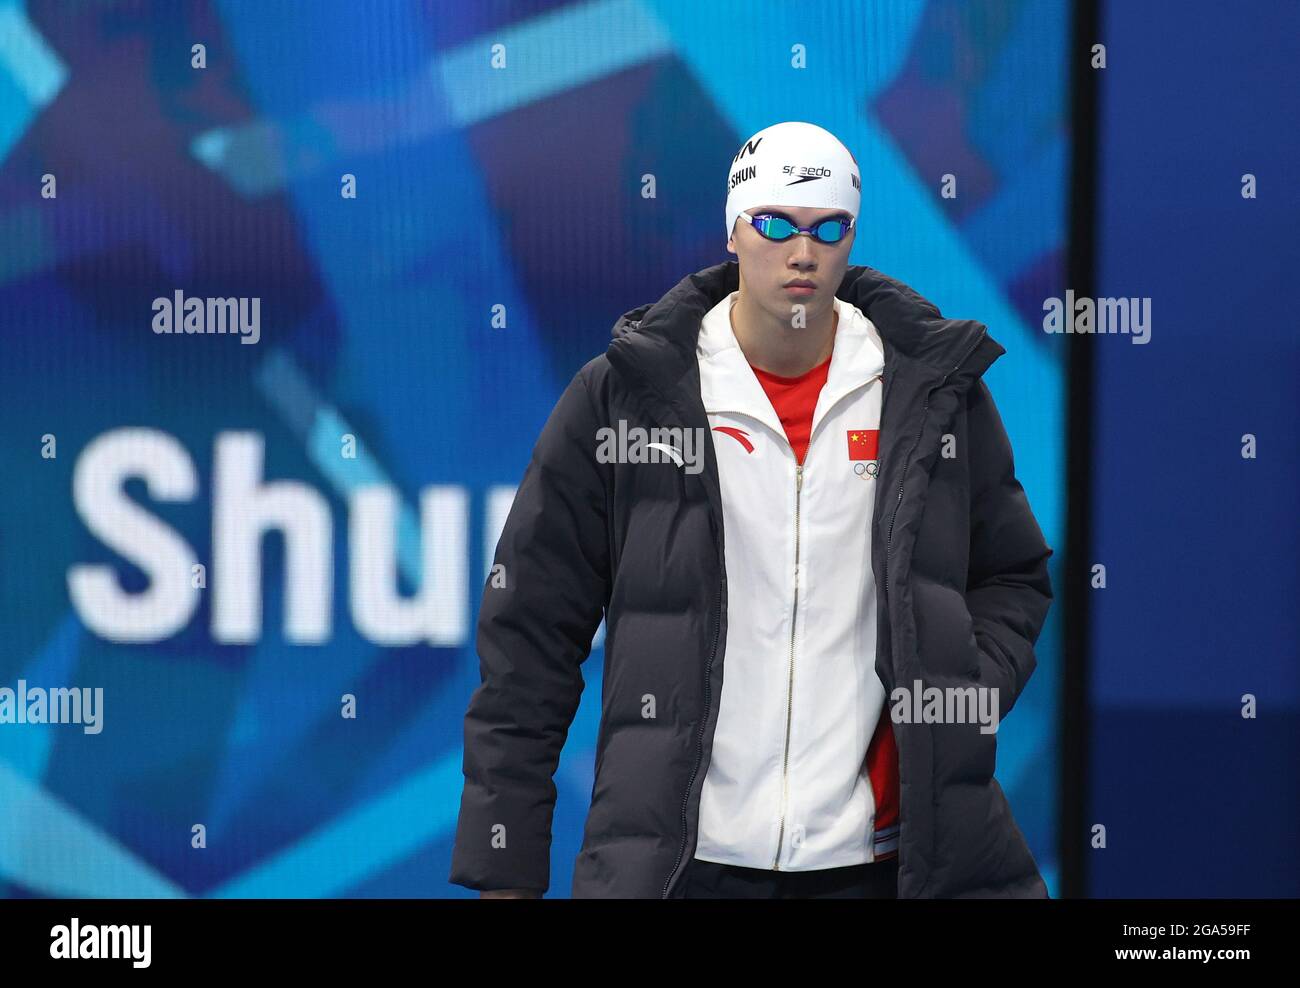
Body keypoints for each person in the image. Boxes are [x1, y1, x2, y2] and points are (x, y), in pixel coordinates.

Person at [450, 121, 1053, 899]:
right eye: (775, 224)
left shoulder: (932, 397)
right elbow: (529, 634)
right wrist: (505, 870)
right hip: (680, 869)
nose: (801, 251)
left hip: (880, 863)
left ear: (851, 239)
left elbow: (1014, 577)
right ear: (733, 230)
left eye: (827, 227)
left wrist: (953, 698)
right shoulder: (628, 397)